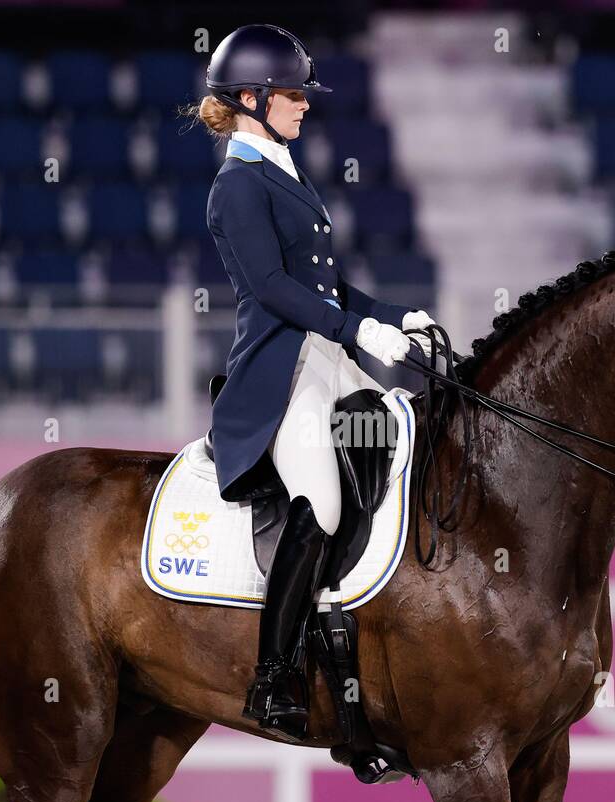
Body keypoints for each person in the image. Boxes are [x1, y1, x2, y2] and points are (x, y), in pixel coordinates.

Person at [189, 23, 436, 740]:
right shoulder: (236, 184)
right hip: (285, 371)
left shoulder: (282, 167)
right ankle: (273, 679)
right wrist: (358, 332)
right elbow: (272, 287)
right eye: (293, 94)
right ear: (250, 98)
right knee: (321, 499)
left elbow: (326, 286)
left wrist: (394, 315)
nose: (304, 105)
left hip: (329, 355)